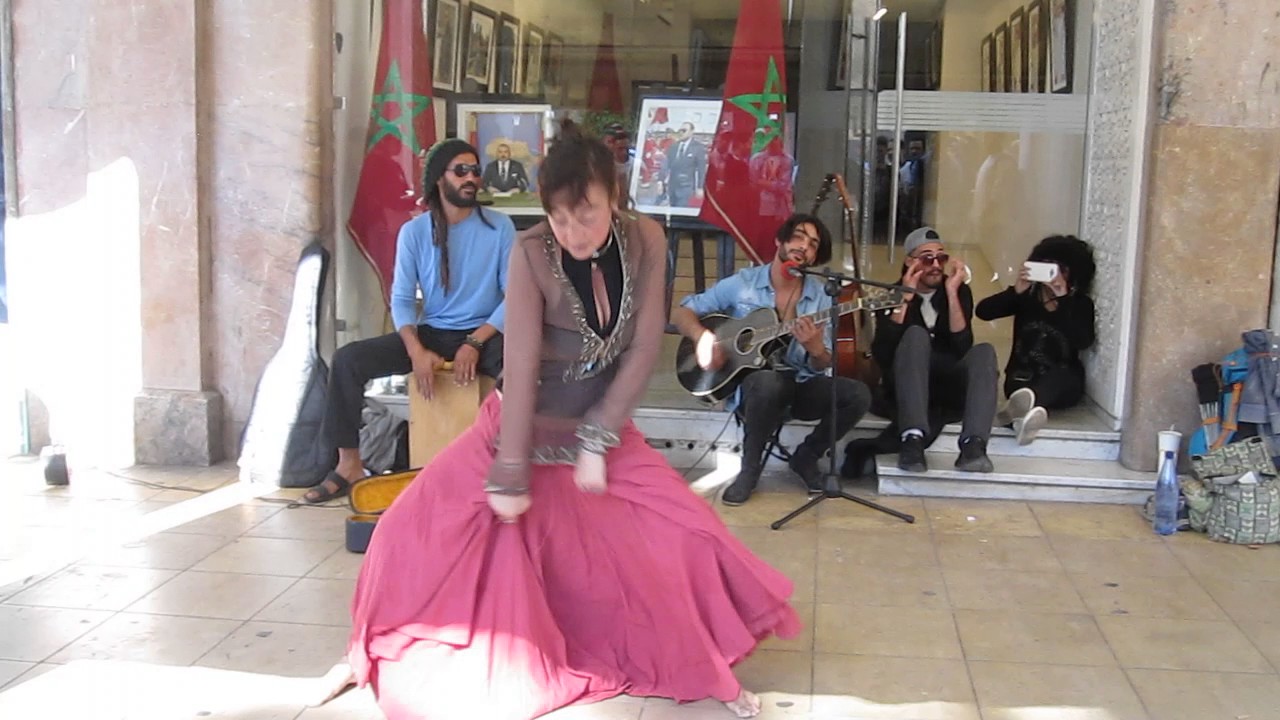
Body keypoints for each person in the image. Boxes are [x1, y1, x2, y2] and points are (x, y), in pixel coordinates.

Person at [320, 120, 801, 720]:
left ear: (613, 201)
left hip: (601, 423)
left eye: (588, 214)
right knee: (404, 530)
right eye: (559, 217)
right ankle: (365, 651)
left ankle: (703, 667)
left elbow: (644, 344)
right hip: (520, 425)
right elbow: (517, 365)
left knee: (688, 535)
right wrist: (511, 470)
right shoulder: (529, 252)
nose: (573, 231)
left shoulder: (648, 240)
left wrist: (600, 438)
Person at [303, 138, 515, 504]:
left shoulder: (500, 228)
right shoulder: (414, 232)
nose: (472, 179)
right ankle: (348, 464)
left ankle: (510, 468)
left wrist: (476, 341)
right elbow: (401, 299)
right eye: (461, 171)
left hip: (485, 333)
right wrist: (416, 350)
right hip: (433, 332)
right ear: (438, 179)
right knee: (348, 360)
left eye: (476, 171)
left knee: (520, 370)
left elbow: (514, 298)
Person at [673, 214, 872, 506]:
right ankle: (750, 469)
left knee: (858, 395)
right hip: (756, 391)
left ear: (815, 256)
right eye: (798, 237)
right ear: (780, 240)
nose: (804, 246)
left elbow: (824, 362)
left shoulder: (819, 298)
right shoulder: (745, 283)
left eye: (813, 244)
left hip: (800, 386)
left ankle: (806, 457)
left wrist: (816, 350)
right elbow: (682, 311)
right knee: (766, 382)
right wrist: (703, 338)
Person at [871, 226, 998, 474]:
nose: (936, 265)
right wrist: (905, 298)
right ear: (910, 262)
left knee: (984, 351)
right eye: (927, 258)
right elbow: (883, 353)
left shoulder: (959, 291)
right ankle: (912, 440)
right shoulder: (891, 295)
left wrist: (951, 293)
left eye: (941, 257)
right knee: (916, 335)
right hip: (907, 386)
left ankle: (973, 445)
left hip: (946, 384)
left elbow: (962, 346)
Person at [976, 235, 1097, 444]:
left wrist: (1063, 299)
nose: (1052, 273)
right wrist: (1015, 291)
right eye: (1046, 265)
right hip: (1021, 378)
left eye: (1060, 268)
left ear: (1073, 272)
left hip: (1061, 383)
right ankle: (1024, 414)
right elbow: (983, 311)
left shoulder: (1080, 303)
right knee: (1024, 392)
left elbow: (1083, 340)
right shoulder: (1026, 297)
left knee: (1064, 375)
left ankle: (1016, 415)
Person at [663, 121, 707, 207]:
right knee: (673, 207)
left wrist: (700, 187)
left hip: (686, 186)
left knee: (681, 208)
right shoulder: (674, 146)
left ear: (691, 132)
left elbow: (701, 169)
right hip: (673, 185)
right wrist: (661, 180)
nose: (681, 133)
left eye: (684, 130)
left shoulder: (698, 147)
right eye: (680, 130)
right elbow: (666, 164)